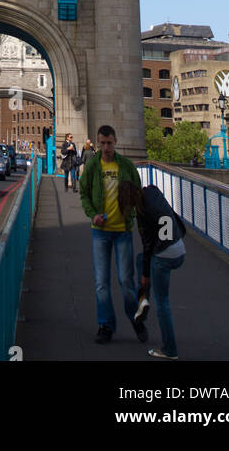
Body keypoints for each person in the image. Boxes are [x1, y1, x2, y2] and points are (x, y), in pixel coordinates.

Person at [79, 125, 146, 346]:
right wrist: (92, 215)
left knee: (126, 281)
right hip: (100, 232)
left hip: (122, 231)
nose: (106, 147)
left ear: (115, 141)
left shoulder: (126, 166)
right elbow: (84, 193)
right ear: (98, 143)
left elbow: (139, 194)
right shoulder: (92, 166)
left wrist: (138, 218)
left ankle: (135, 318)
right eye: (102, 143)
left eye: (109, 143)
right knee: (101, 283)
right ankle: (105, 325)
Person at [122, 180, 187, 361]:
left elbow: (148, 244)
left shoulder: (142, 215)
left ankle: (170, 349)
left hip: (163, 256)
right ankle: (144, 299)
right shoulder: (153, 191)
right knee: (140, 259)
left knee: (163, 303)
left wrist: (145, 275)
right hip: (179, 248)